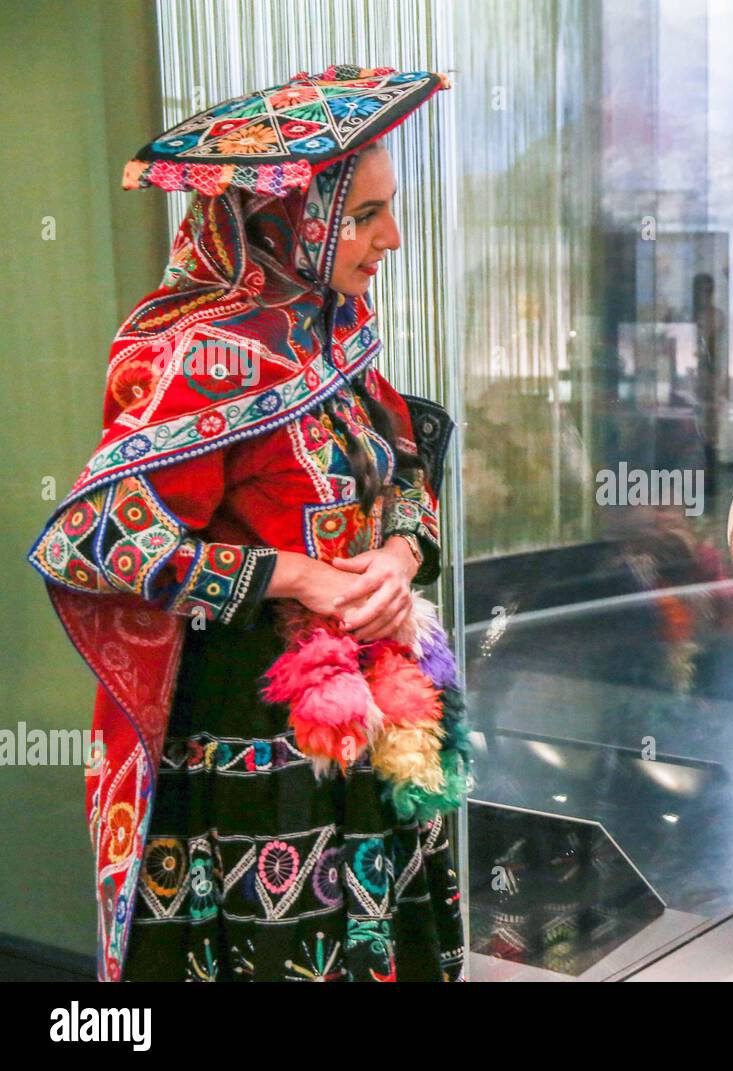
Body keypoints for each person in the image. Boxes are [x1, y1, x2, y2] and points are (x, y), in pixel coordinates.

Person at [27, 66, 468, 982]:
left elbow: (405, 467)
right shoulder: (197, 352)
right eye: (362, 217)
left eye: (386, 210)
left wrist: (393, 557)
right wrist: (302, 578)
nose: (392, 238)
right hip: (252, 728)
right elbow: (110, 541)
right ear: (287, 222)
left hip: (366, 698)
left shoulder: (330, 329)